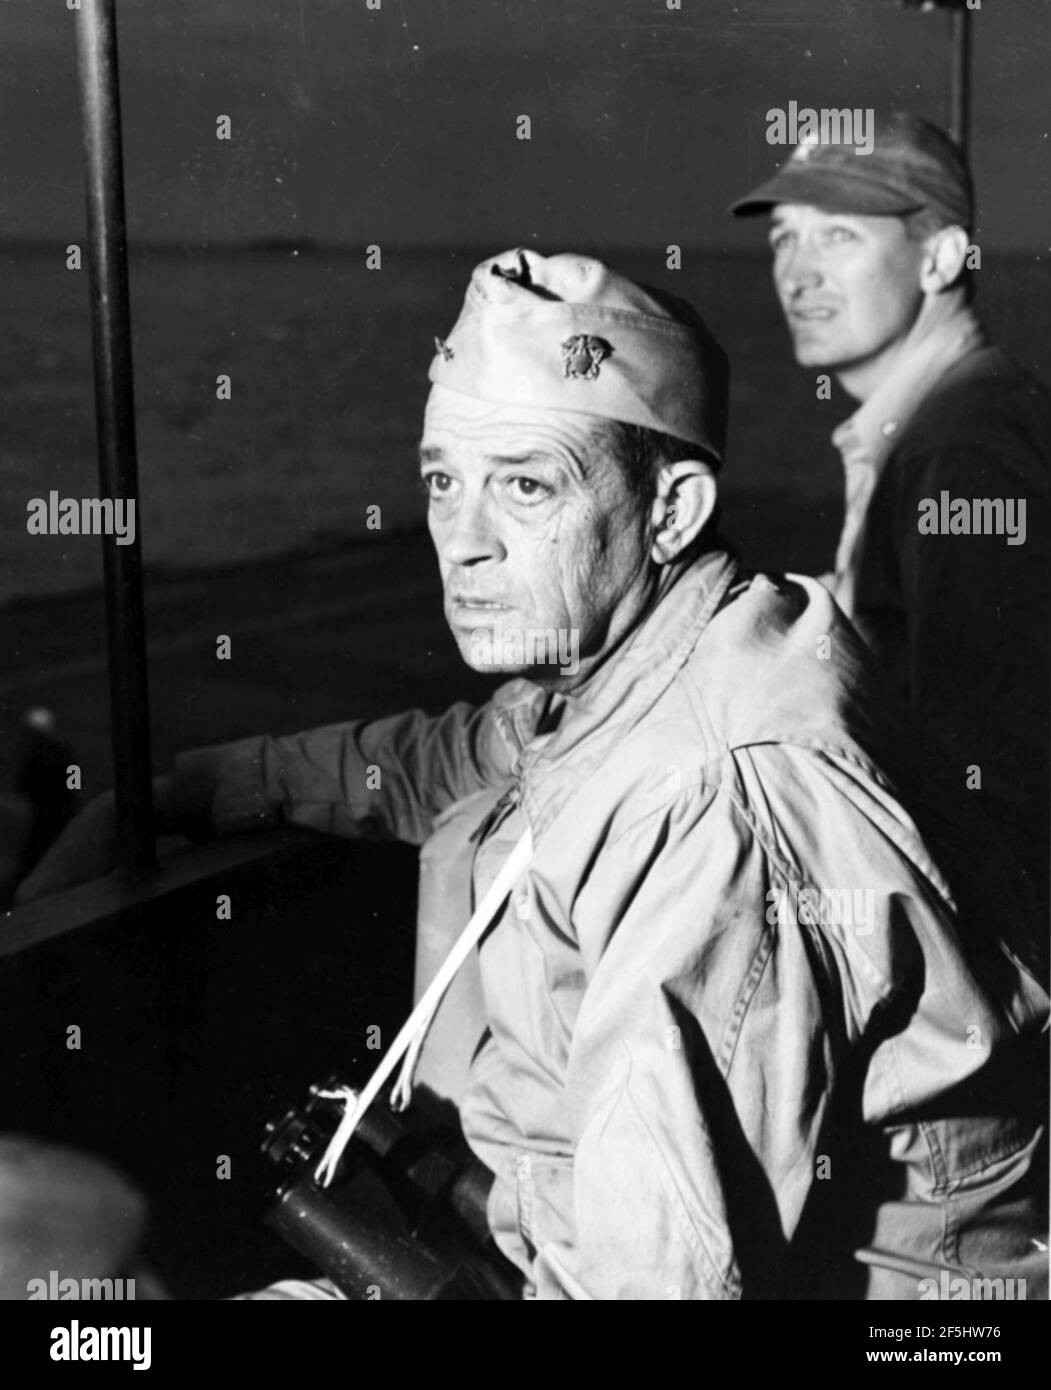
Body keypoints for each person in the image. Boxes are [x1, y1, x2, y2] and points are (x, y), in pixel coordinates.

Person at [17, 249, 1048, 1301]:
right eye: (441, 481)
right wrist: (189, 789)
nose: (460, 541)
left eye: (525, 484)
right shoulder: (685, 644)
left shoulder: (700, 803)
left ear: (672, 510)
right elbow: (482, 753)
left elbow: (659, 1286)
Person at [731, 110, 1051, 927]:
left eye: (836, 236)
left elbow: (994, 767)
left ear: (941, 257)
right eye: (782, 240)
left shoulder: (958, 448)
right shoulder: (940, 421)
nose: (796, 274)